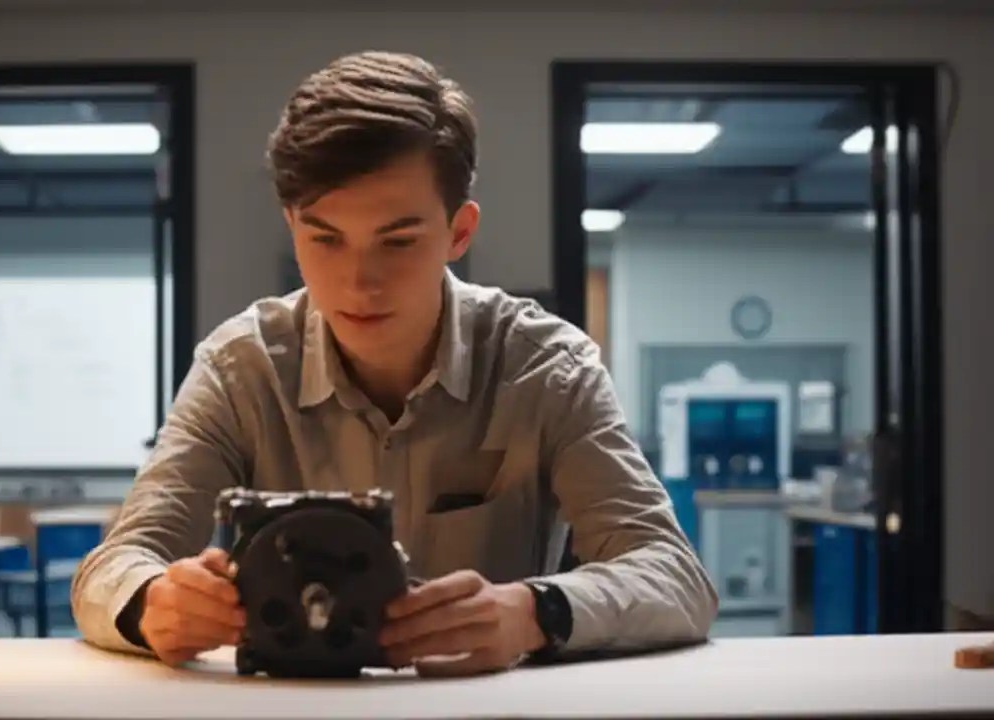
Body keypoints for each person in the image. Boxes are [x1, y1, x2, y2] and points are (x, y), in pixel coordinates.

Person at [71, 50, 717, 677]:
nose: (359, 282)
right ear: (291, 224)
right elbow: (114, 566)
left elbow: (673, 574)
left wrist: (534, 612)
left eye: (398, 241)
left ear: (459, 232)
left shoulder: (549, 367)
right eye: (324, 238)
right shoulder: (240, 368)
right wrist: (153, 602)